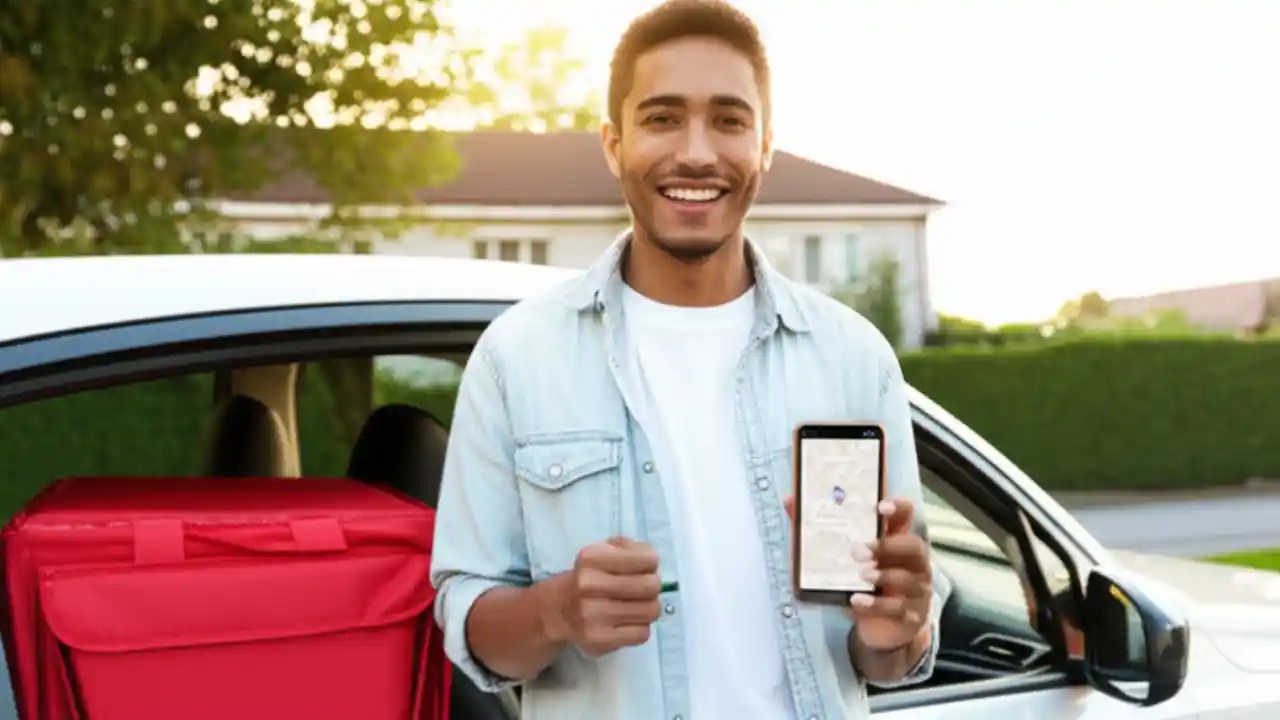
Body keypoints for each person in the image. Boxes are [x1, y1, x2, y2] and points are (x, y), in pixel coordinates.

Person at [429, 1, 945, 718]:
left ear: (765, 145)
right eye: (663, 117)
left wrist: (899, 631)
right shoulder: (516, 358)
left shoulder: (853, 356)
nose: (698, 152)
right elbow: (468, 622)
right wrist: (555, 612)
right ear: (613, 143)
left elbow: (886, 656)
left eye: (730, 120)